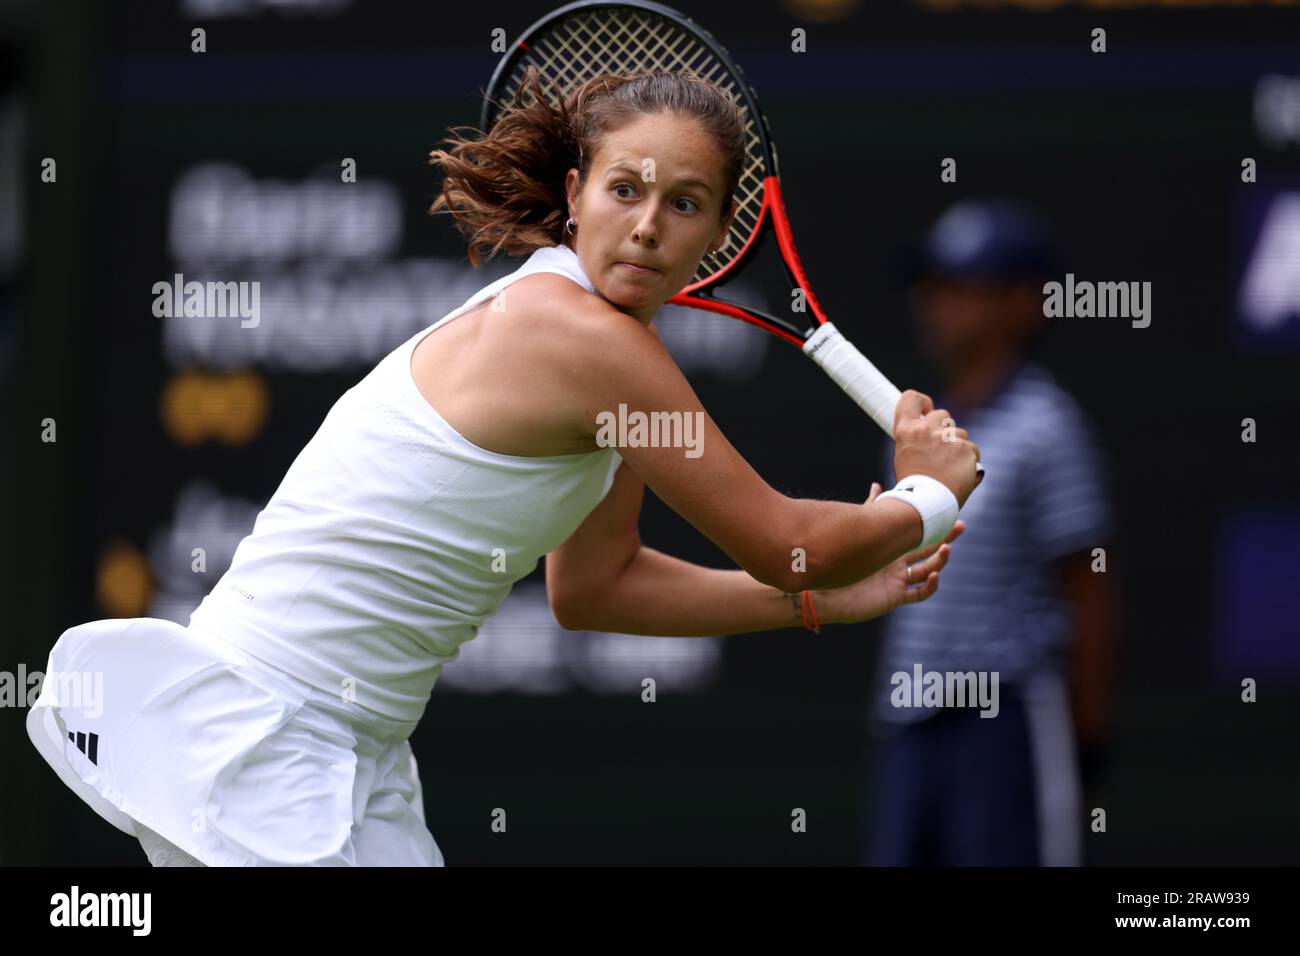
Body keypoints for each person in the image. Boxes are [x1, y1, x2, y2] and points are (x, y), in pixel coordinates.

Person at [27, 68, 981, 866]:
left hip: (350, 755)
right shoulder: (585, 343)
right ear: (575, 196)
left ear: (719, 232)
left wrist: (811, 601)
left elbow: (600, 588)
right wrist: (928, 491)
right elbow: (789, 544)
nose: (649, 224)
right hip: (269, 737)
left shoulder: (608, 354)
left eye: (683, 203)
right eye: (625, 190)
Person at [864, 199, 1120, 867]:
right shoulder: (916, 434)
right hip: (909, 718)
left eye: (962, 289)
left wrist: (1083, 740)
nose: (935, 304)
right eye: (933, 287)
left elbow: (1088, 586)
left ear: (1022, 304)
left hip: (1004, 719)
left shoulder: (1049, 426)